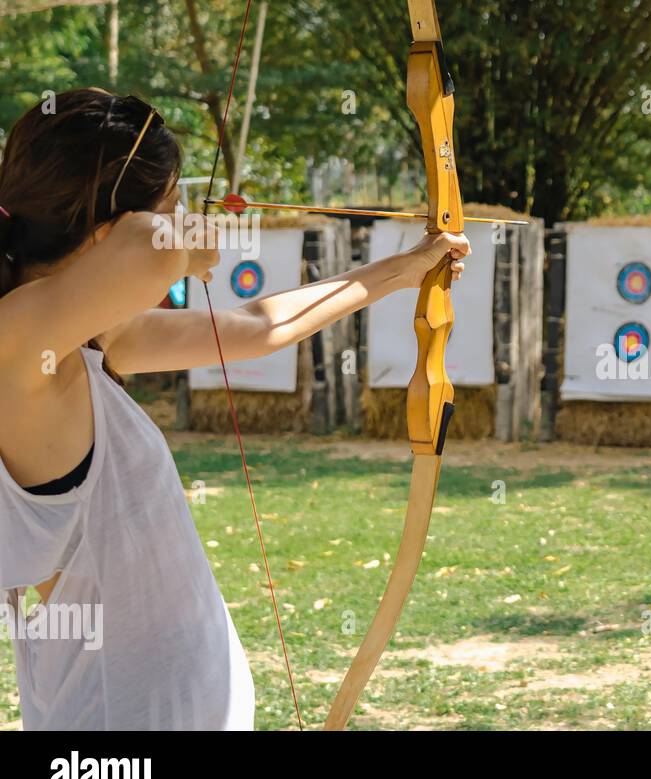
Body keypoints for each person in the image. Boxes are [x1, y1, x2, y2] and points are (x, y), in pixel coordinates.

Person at [0, 89, 469, 729]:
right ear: (108, 229)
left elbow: (256, 324)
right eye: (172, 204)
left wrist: (404, 269)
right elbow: (150, 250)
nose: (188, 218)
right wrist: (178, 235)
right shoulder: (18, 351)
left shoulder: (82, 345)